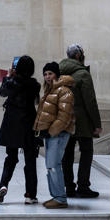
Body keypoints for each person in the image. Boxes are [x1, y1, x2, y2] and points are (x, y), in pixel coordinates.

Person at [0, 55, 41, 204]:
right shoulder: (35, 85)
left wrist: (8, 77)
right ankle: (30, 195)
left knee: (11, 158)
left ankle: (3, 185)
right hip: (28, 124)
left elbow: (1, 92)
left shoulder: (11, 82)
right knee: (30, 161)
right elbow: (35, 101)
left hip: (12, 124)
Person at [60, 44, 103, 198]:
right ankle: (83, 186)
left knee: (67, 154)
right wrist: (97, 124)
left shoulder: (59, 71)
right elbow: (90, 101)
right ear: (78, 56)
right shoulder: (83, 74)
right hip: (82, 120)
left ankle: (69, 187)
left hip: (65, 119)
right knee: (86, 151)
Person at [33, 62, 75, 209]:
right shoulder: (51, 90)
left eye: (50, 73)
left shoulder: (64, 91)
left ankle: (60, 198)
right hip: (52, 134)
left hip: (58, 134)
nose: (47, 77)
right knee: (51, 165)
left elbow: (64, 117)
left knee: (53, 165)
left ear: (56, 74)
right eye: (45, 74)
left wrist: (50, 131)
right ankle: (56, 197)